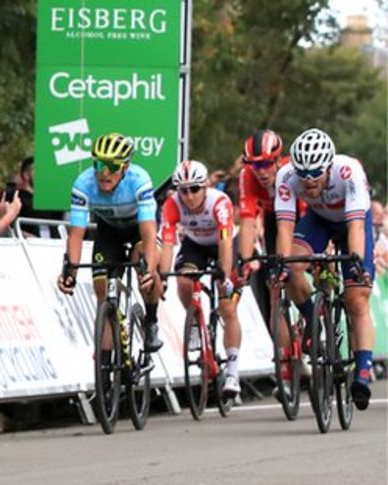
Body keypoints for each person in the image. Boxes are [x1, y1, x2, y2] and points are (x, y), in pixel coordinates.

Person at [274, 128, 376, 410]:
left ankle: (363, 372)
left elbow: (355, 225)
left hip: (351, 222)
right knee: (292, 268)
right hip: (318, 221)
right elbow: (285, 225)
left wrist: (355, 266)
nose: (307, 180)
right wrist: (282, 264)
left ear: (329, 165)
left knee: (357, 297)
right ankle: (315, 321)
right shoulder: (286, 176)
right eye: (302, 173)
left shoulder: (349, 171)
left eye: (315, 172)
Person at [57, 133, 163, 352]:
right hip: (109, 231)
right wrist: (70, 272)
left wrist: (149, 269)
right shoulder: (84, 184)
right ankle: (104, 362)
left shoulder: (139, 180)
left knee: (146, 270)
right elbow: (76, 234)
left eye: (112, 167)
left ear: (125, 167)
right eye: (99, 164)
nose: (104, 173)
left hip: (138, 230)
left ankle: (151, 320)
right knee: (102, 292)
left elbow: (148, 231)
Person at [159, 160, 241, 397]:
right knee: (184, 280)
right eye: (183, 190)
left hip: (222, 245)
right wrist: (163, 276)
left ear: (205, 187)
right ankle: (194, 319)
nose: (189, 196)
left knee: (227, 308)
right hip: (195, 244)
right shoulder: (172, 204)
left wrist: (224, 277)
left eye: (194, 189)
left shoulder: (219, 202)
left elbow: (226, 242)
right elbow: (167, 242)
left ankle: (233, 372)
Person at [235, 129, 305, 397]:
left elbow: (306, 215)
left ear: (278, 160)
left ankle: (320, 311)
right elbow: (249, 220)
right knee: (276, 289)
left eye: (265, 164)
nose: (260, 171)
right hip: (276, 222)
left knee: (320, 265)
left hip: (303, 216)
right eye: (254, 165)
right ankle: (286, 370)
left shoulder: (294, 171)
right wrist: (244, 259)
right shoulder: (247, 178)